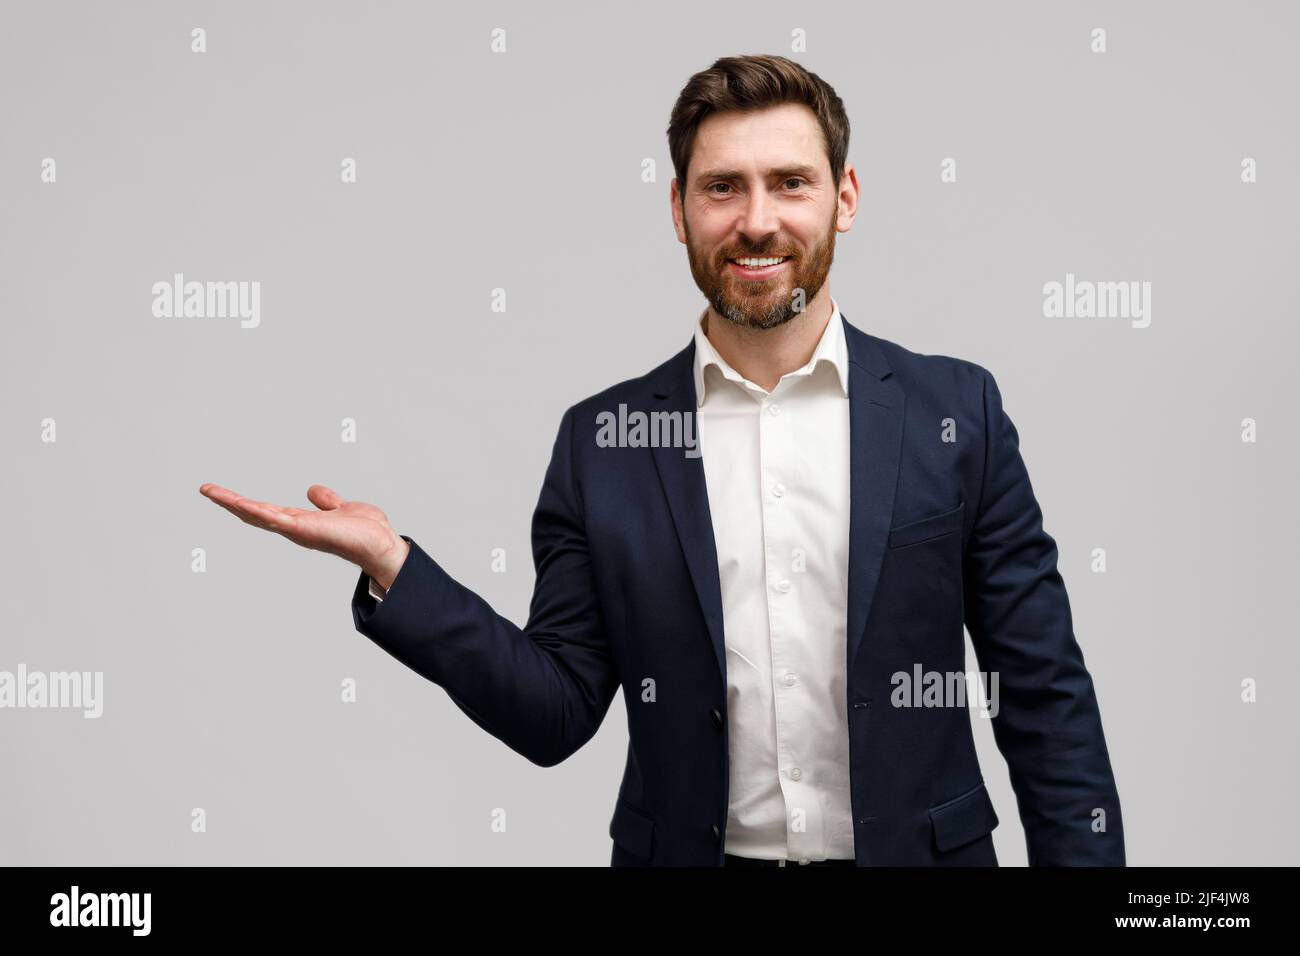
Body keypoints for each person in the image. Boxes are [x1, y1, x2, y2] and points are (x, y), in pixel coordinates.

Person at [200, 54, 1124, 867]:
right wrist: (398, 569)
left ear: (844, 197)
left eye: (790, 183)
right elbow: (555, 711)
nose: (757, 221)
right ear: (678, 210)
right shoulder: (602, 442)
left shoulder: (957, 413)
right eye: (722, 188)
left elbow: (1043, 696)